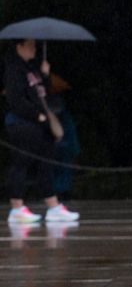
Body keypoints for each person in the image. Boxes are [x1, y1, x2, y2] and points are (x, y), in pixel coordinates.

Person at [3, 39, 80, 225]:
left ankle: (53, 206)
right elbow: (15, 99)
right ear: (19, 47)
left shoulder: (33, 68)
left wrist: (45, 75)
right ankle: (16, 207)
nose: (34, 48)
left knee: (47, 164)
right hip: (22, 124)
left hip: (41, 124)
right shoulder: (14, 69)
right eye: (30, 45)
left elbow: (44, 93)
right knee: (22, 163)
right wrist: (36, 115)